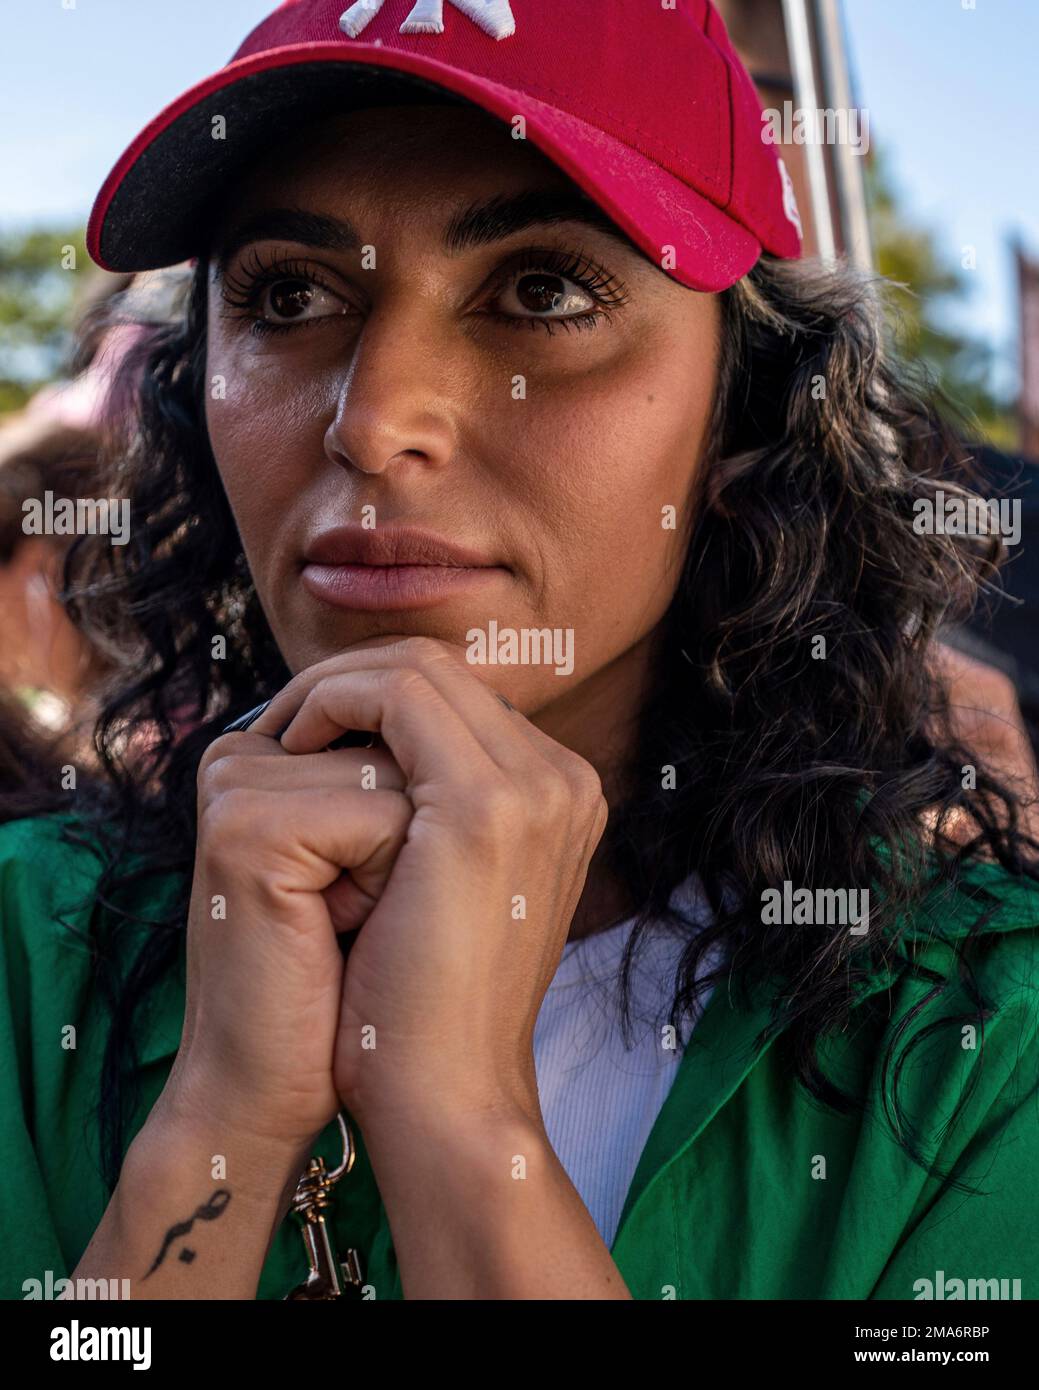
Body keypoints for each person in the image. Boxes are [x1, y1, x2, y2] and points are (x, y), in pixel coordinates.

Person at [2, 0, 1038, 1302]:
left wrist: (462, 1130)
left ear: (747, 412)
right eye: (288, 293)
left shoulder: (985, 1044)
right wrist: (218, 1131)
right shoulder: (24, 948)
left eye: (541, 290)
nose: (375, 422)